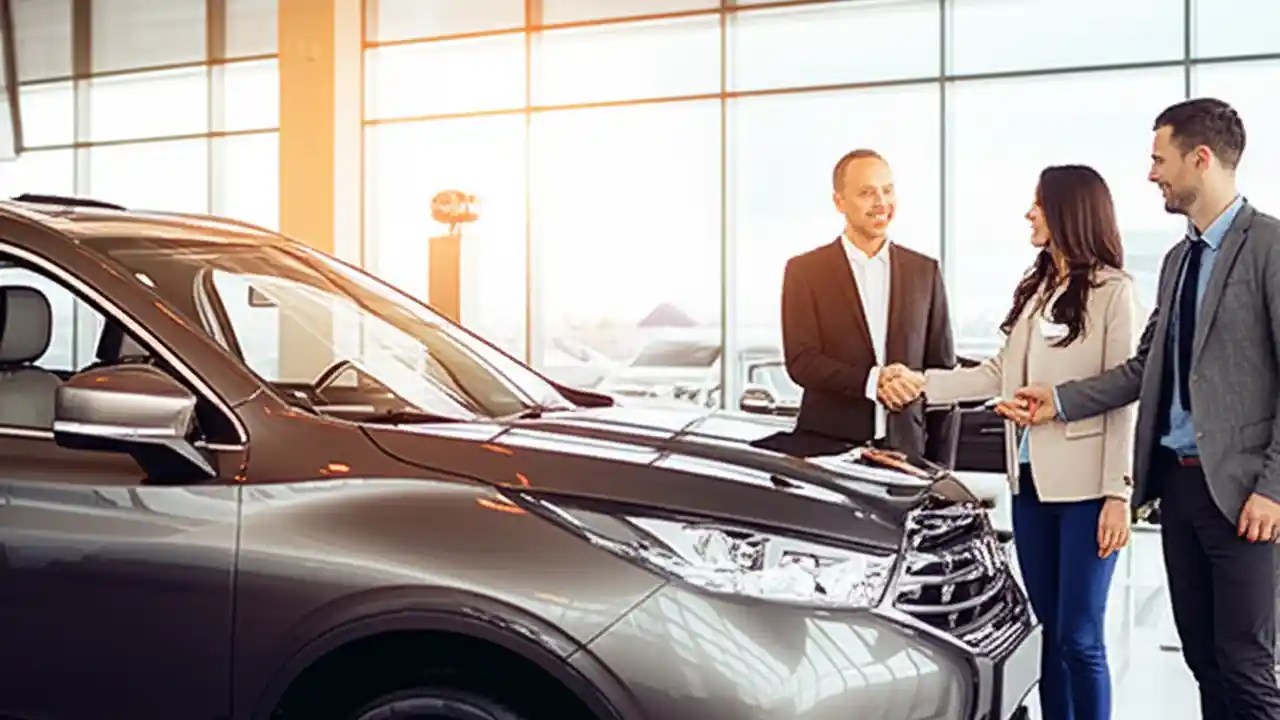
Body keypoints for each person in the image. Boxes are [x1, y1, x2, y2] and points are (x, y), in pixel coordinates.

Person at [1013, 98, 1280, 720]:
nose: (1152, 173)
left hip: (1245, 499)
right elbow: (1143, 370)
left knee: (1246, 665)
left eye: (1159, 159)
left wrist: (1273, 488)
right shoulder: (1177, 259)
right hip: (1179, 490)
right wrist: (1055, 402)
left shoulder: (1268, 247)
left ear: (1201, 158)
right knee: (1203, 660)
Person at [886, 165, 1136, 720]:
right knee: (1047, 632)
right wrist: (919, 383)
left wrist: (1118, 494)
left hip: (1088, 491)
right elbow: (996, 373)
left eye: (1038, 205)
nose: (1029, 214)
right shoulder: (1039, 289)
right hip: (1030, 484)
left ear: (1070, 212)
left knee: (1081, 636)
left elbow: (1125, 395)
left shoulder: (1116, 293)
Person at [780, 148, 955, 463]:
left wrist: (943, 467)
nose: (881, 202)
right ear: (839, 201)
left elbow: (941, 368)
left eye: (887, 190)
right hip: (827, 449)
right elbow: (801, 361)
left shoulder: (924, 271)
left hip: (909, 451)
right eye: (866, 192)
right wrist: (872, 381)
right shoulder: (805, 271)